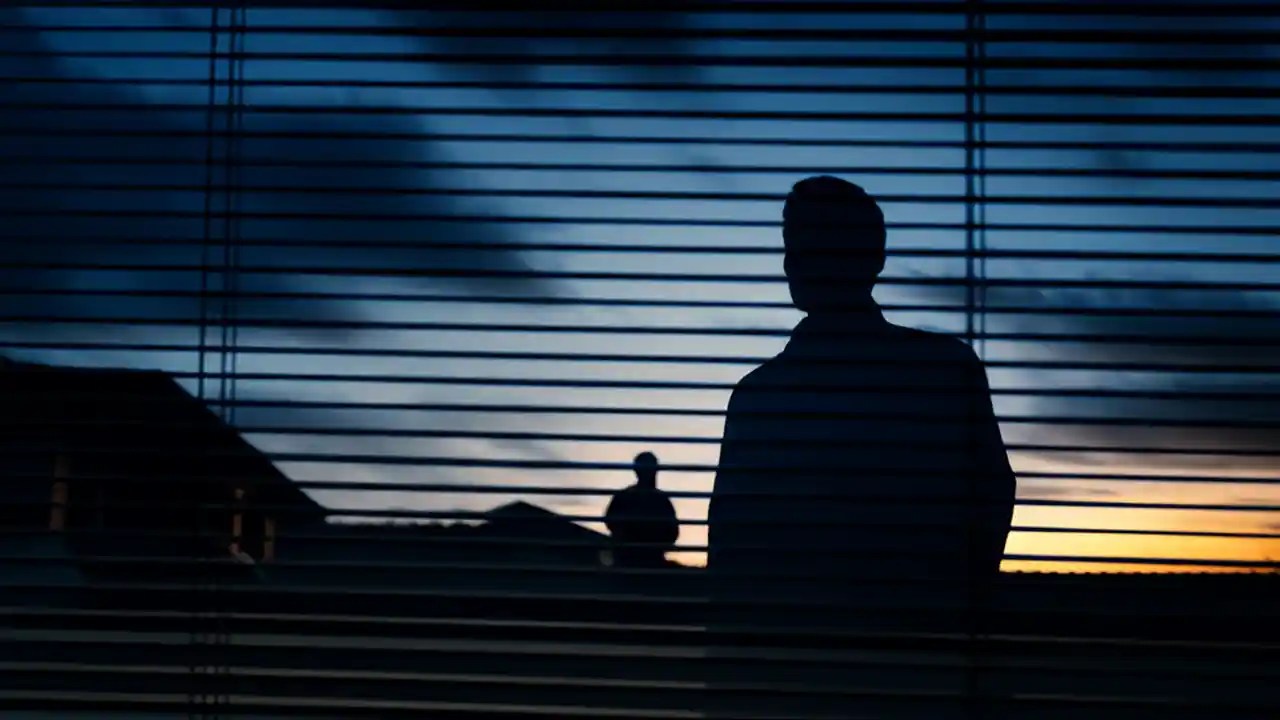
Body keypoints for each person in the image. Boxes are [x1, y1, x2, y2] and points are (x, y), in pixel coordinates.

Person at [707, 176, 1016, 629]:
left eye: (816, 246)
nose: (798, 263)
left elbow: (733, 547)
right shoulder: (944, 367)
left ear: (873, 260)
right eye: (795, 247)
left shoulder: (761, 394)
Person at [604, 451, 679, 569]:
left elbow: (673, 532)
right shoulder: (661, 500)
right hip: (633, 561)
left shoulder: (661, 500)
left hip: (643, 561)